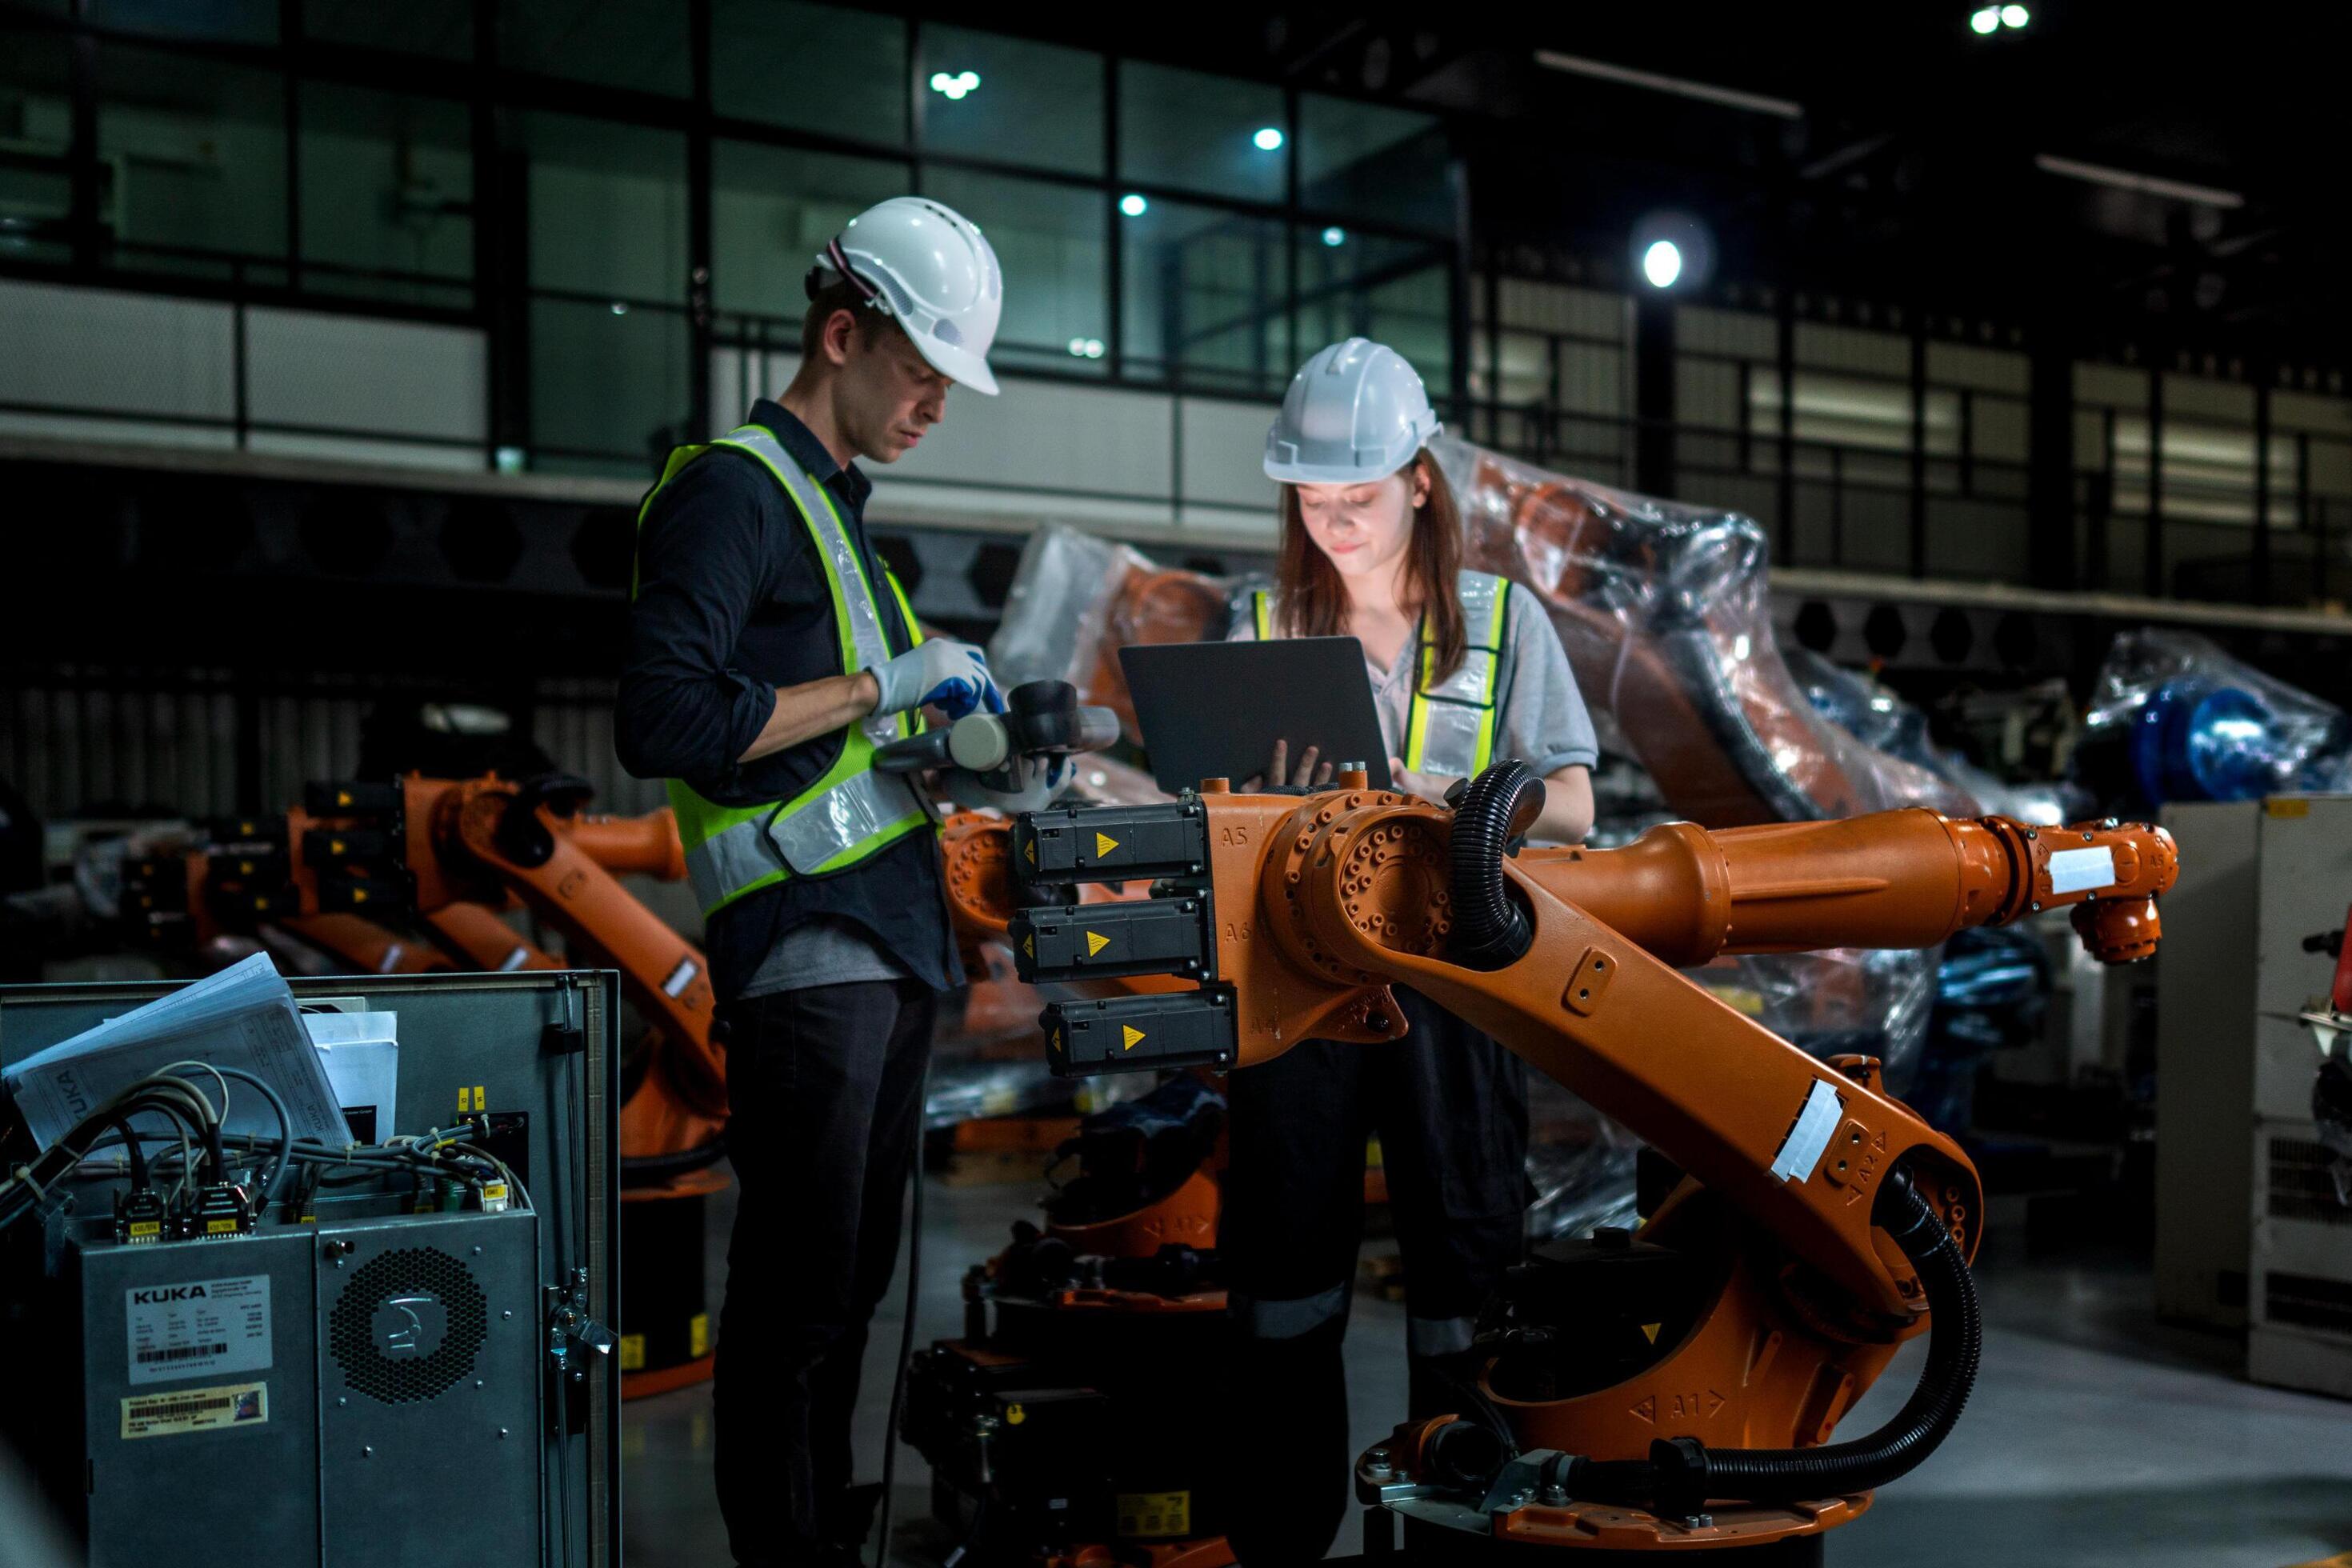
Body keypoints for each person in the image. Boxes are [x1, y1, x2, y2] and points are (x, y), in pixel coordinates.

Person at [616, 195, 1027, 1568]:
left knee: (849, 1295)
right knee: (798, 1301)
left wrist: (944, 735)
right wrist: (876, 686)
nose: (933, 409)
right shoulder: (732, 489)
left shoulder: (841, 518)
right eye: (919, 377)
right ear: (842, 335)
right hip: (810, 950)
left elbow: (854, 735)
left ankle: (824, 1545)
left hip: (892, 947)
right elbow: (665, 718)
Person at [1219, 337, 1598, 1564]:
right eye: (1313, 502)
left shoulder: (1501, 621)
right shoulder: (1261, 620)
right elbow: (1215, 804)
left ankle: (1461, 1527)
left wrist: (1474, 797)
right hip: (1299, 993)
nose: (1332, 524)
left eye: (1358, 499)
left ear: (1421, 483)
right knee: (1282, 1279)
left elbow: (1582, 803)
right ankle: (1284, 1534)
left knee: (1468, 1276)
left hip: (1456, 993)